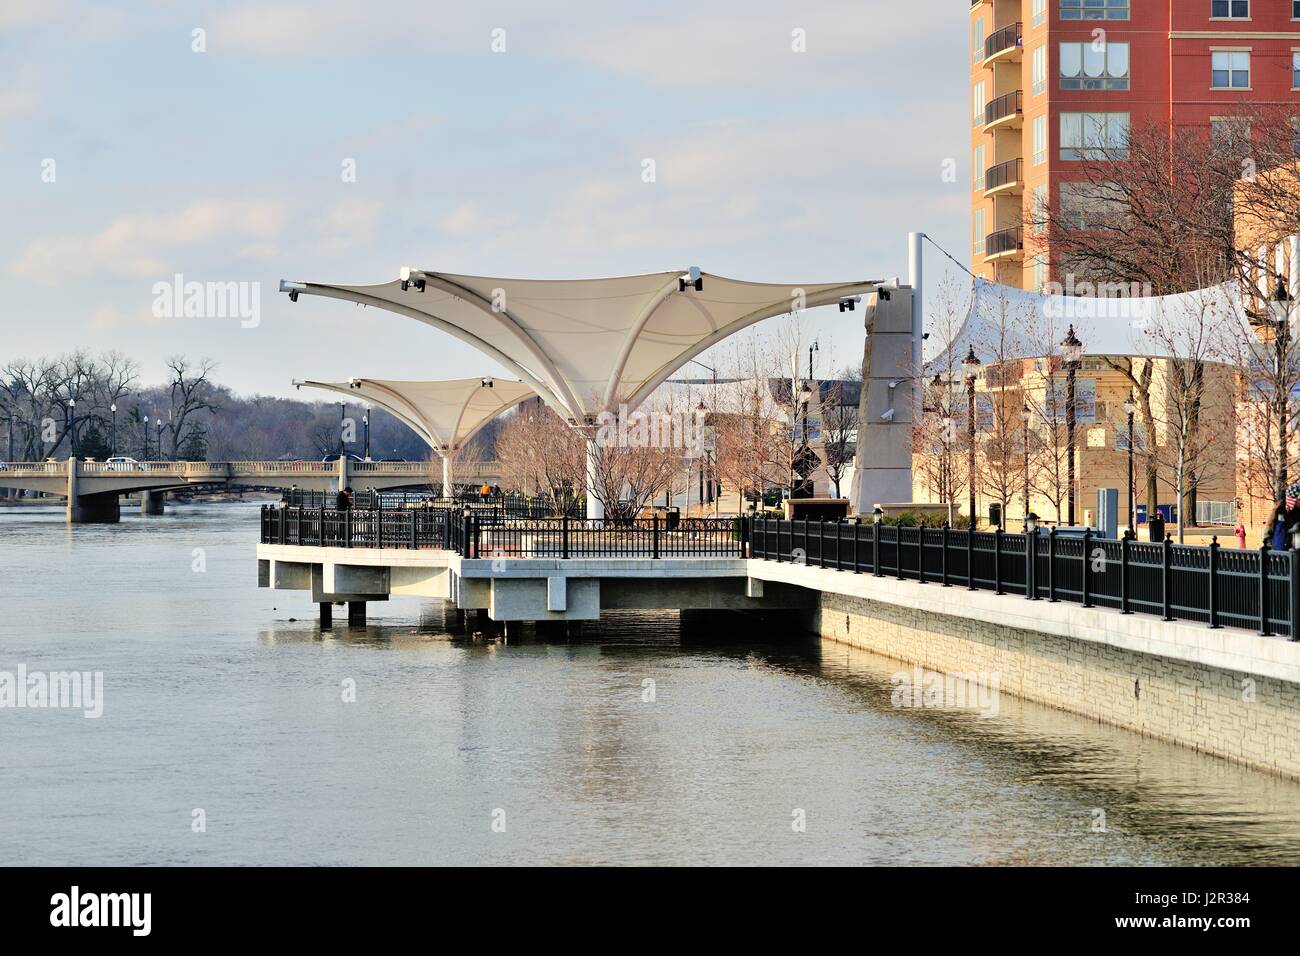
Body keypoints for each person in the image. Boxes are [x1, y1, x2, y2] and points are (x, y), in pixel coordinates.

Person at [1265, 483, 1300, 549]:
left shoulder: (1298, 511)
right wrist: (1267, 542)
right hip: (1279, 549)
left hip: (1295, 550)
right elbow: (1270, 525)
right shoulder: (1279, 509)